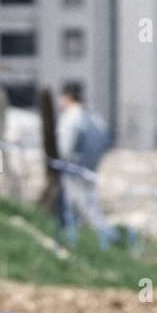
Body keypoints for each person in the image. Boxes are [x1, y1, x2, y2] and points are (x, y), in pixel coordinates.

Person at [55, 87, 114, 243]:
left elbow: (65, 147)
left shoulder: (71, 118)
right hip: (91, 167)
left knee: (80, 204)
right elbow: (106, 140)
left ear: (67, 97)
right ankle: (88, 236)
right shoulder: (93, 117)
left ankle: (106, 237)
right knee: (88, 203)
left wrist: (60, 162)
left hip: (74, 168)